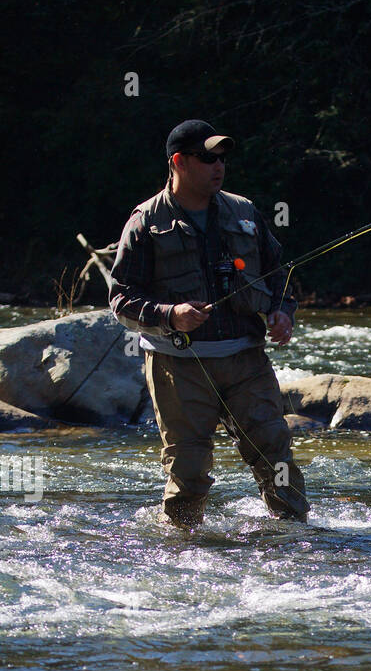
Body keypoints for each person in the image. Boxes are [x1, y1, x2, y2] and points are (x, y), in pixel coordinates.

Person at [109, 119, 309, 528]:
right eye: (207, 158)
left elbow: (282, 276)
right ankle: (184, 551)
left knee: (275, 455)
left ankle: (296, 539)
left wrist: (283, 312)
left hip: (246, 359)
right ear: (179, 161)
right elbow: (121, 300)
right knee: (188, 470)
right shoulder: (146, 222)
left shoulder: (244, 212)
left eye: (222, 158)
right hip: (177, 366)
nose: (218, 166)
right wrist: (170, 315)